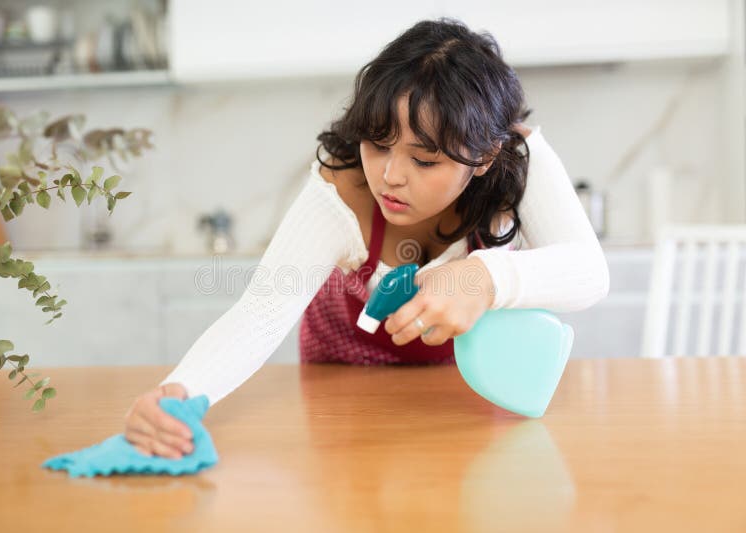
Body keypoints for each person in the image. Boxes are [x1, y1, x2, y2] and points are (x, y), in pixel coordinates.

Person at [123, 18, 610, 459]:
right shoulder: (341, 190)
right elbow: (258, 315)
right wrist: (177, 395)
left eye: (424, 161)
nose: (390, 177)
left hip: (457, 399)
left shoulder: (519, 160)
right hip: (341, 394)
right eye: (378, 145)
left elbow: (590, 272)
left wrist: (483, 276)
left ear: (484, 158)